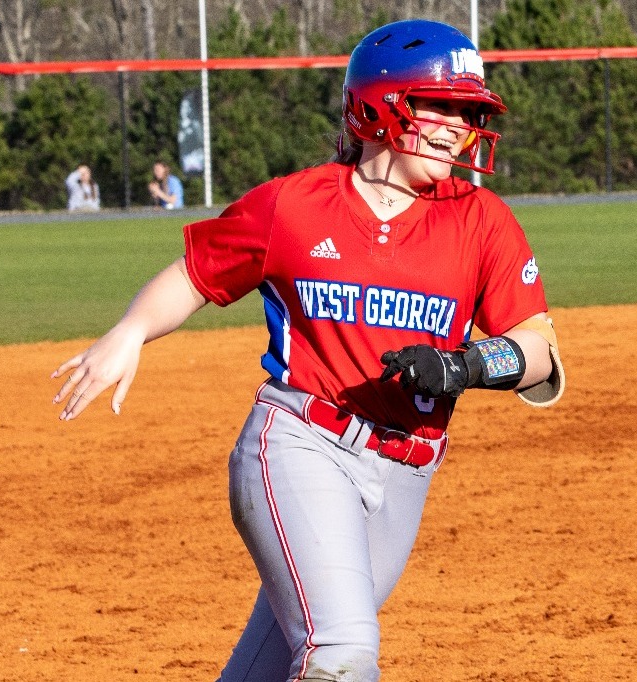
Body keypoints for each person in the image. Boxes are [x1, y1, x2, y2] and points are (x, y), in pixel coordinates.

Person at [51, 19, 565, 682]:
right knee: (341, 652)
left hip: (405, 474)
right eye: (438, 106)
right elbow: (194, 274)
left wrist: (464, 364)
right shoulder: (295, 206)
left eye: (467, 112)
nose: (456, 126)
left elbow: (539, 349)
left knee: (275, 667)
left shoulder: (478, 217)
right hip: (302, 445)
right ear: (377, 107)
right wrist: (129, 330)